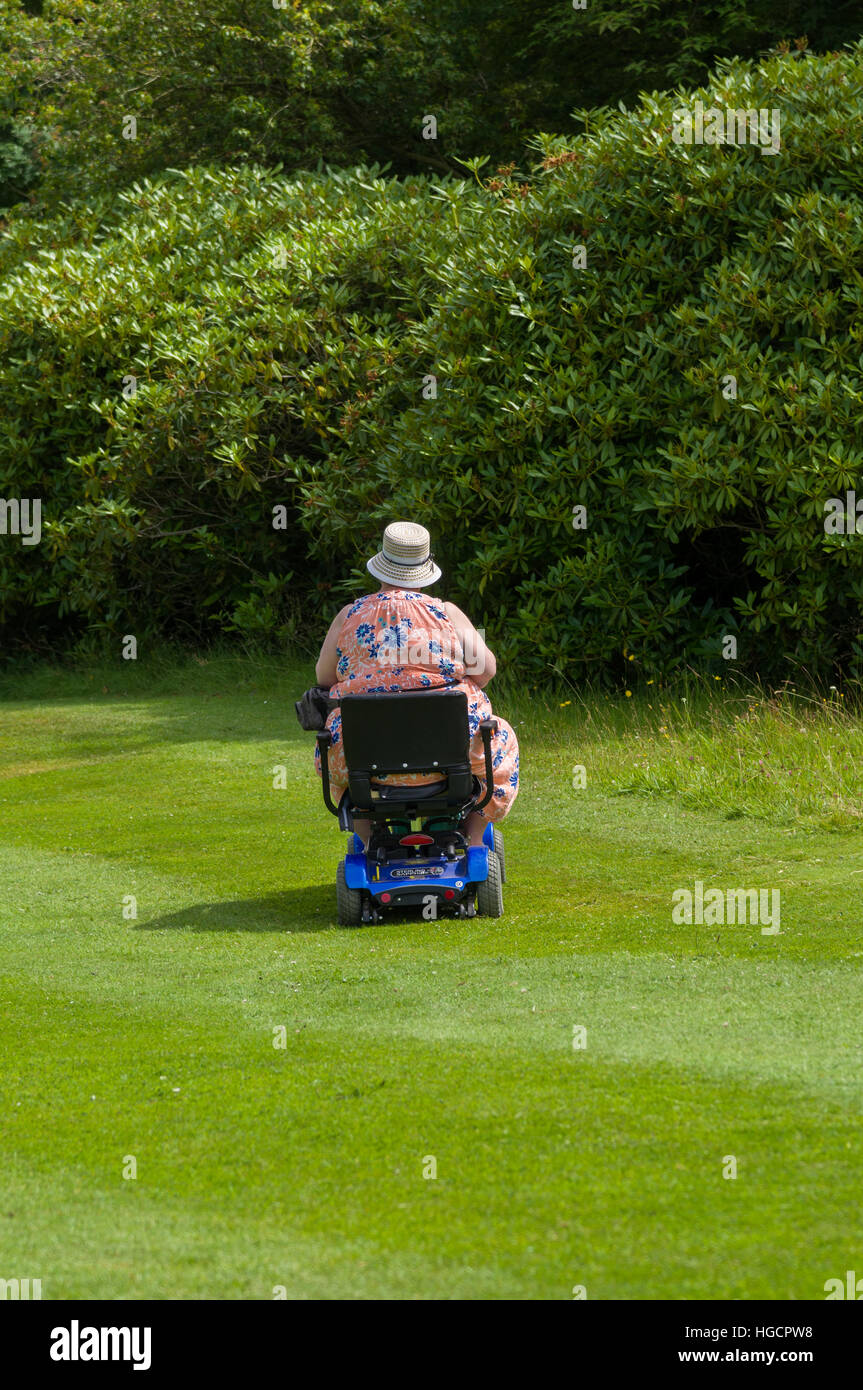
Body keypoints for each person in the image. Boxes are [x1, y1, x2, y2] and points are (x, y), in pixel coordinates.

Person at [314, 521, 519, 847]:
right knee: (501, 738)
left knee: (331, 744)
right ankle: (475, 838)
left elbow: (324, 679)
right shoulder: (446, 613)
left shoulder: (348, 615)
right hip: (452, 754)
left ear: (381, 565)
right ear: (425, 569)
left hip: (365, 761)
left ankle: (369, 842)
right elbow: (487, 670)